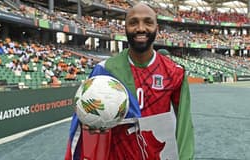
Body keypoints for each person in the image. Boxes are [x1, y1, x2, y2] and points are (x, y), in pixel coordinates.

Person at [65, 3, 194, 160]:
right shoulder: (105, 70)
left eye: (148, 22)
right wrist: (90, 123)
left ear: (157, 28)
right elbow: (83, 120)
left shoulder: (175, 72)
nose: (140, 28)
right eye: (133, 22)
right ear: (124, 28)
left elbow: (184, 127)